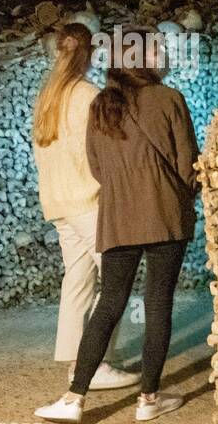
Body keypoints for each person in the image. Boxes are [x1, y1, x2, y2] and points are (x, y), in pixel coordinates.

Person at [35, 28, 199, 424]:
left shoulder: (101, 105)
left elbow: (96, 166)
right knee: (158, 305)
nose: (162, 57)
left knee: (108, 303)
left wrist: (124, 192)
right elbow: (187, 164)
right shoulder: (169, 99)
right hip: (165, 218)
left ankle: (74, 397)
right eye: (158, 51)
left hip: (117, 219)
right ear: (145, 58)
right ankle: (148, 400)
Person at [31, 23, 141, 392]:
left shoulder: (47, 96)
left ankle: (78, 365)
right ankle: (99, 363)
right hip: (89, 202)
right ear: (90, 53)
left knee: (77, 283)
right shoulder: (88, 95)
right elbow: (108, 148)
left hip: (58, 203)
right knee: (113, 286)